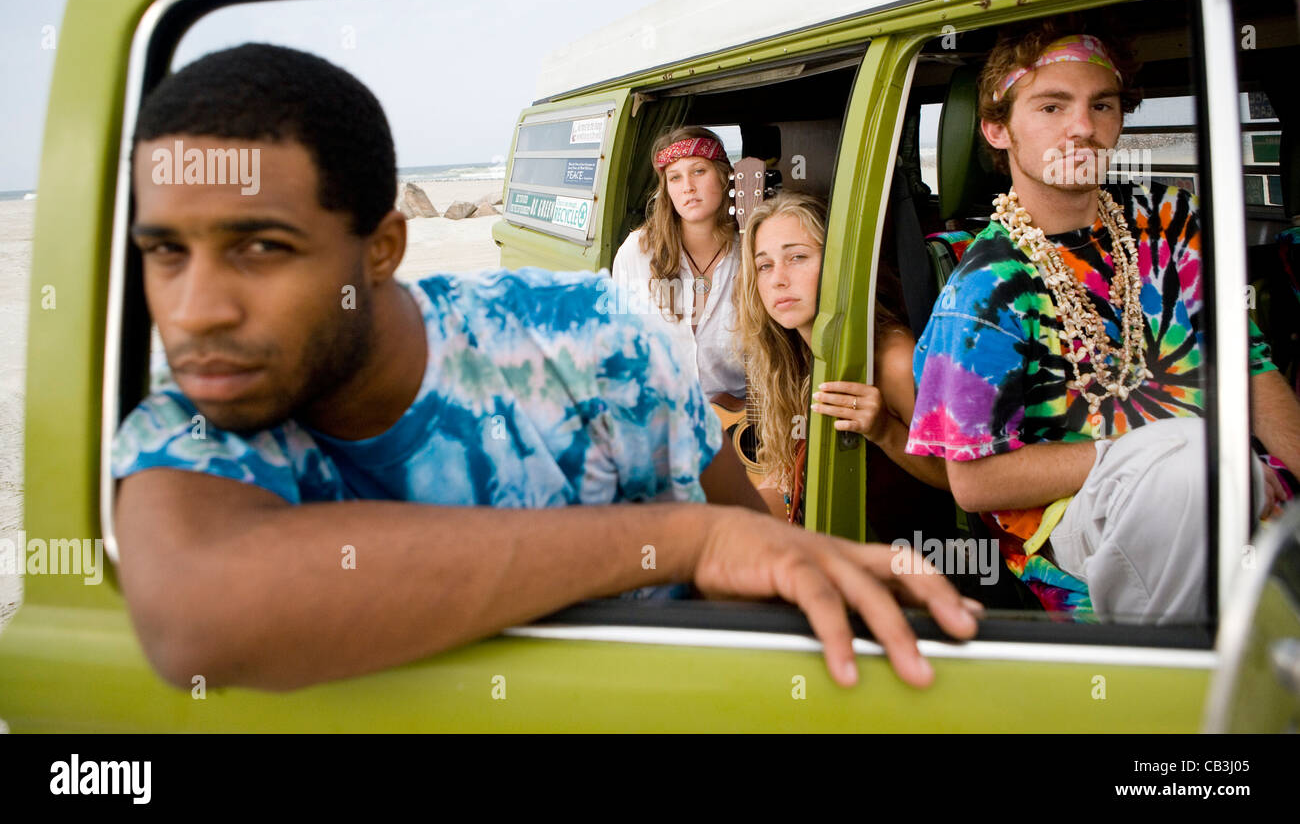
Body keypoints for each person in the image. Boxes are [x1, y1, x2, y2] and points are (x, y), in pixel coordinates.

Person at [111, 43, 981, 693]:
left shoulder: (591, 348)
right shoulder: (180, 424)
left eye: (261, 248)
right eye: (163, 252)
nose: (193, 311)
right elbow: (202, 610)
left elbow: (764, 593)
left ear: (381, 249)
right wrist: (685, 541)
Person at [905, 20, 1300, 623]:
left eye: (1102, 105)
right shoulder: (983, 288)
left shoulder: (1172, 220)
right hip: (1076, 524)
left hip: (1234, 488)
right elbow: (974, 485)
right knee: (1192, 471)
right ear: (997, 128)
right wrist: (1170, 454)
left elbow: (1245, 362)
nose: (1082, 128)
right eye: (1051, 106)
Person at [735, 192, 950, 528]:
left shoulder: (894, 357)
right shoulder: (785, 360)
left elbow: (958, 479)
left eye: (797, 257)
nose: (778, 279)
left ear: (837, 265)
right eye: (765, 265)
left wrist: (885, 431)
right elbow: (786, 483)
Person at [611, 126, 746, 408]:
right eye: (675, 177)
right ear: (667, 189)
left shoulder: (749, 254)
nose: (688, 187)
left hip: (736, 430)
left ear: (723, 177)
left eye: (699, 171)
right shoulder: (637, 253)